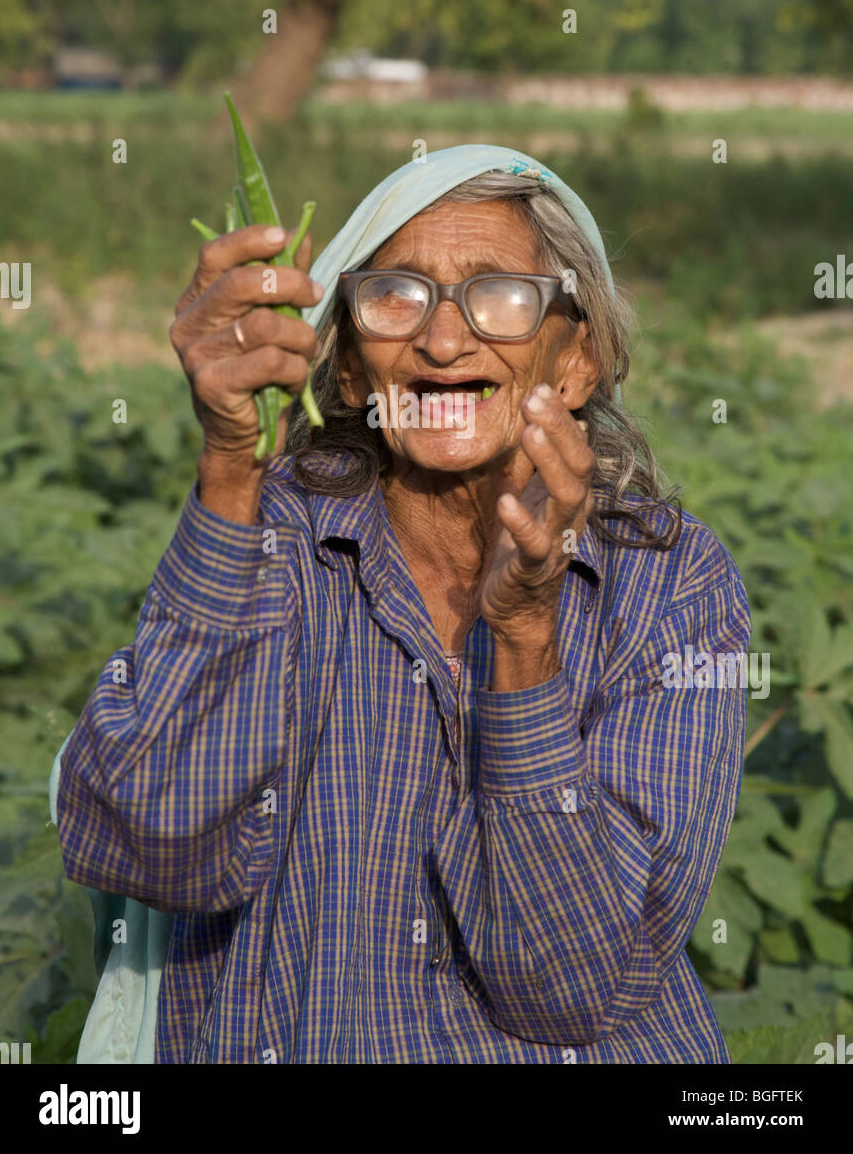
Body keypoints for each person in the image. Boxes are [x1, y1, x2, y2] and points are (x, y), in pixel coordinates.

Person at [52, 144, 750, 1064]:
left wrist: (524, 634)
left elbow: (572, 994)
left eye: (500, 294)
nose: (444, 341)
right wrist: (229, 469)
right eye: (396, 295)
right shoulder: (277, 540)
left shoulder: (670, 585)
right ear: (347, 374)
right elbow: (154, 844)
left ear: (577, 362)